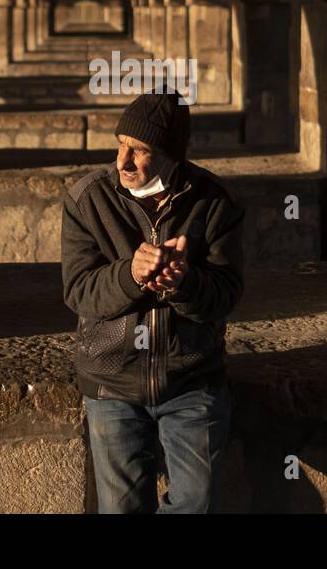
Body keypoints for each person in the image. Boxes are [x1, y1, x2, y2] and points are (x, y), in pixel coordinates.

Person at [60, 90, 246, 513]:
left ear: (170, 156)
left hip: (190, 377)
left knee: (197, 503)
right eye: (121, 145)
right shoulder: (88, 200)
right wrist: (130, 274)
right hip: (113, 379)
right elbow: (78, 291)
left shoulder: (217, 204)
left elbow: (225, 295)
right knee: (121, 508)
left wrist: (184, 283)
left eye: (139, 151)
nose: (123, 162)